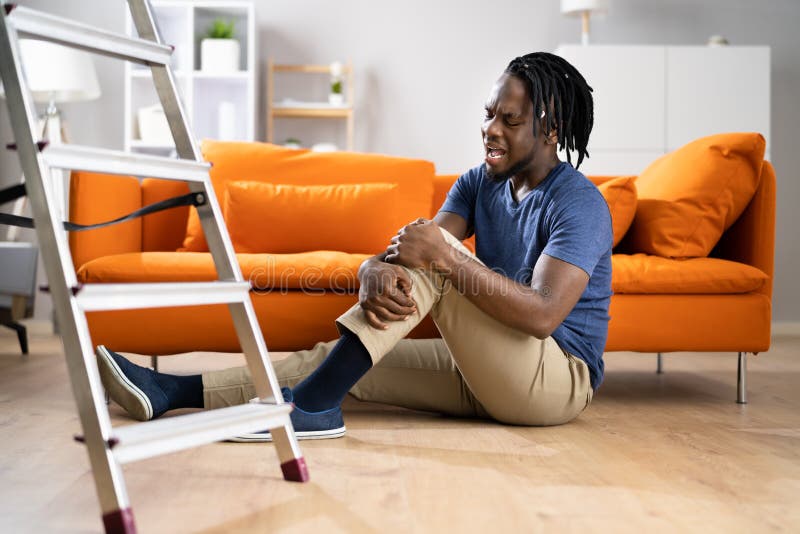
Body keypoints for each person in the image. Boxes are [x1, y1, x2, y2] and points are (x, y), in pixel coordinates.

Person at [96, 51, 612, 441]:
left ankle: (313, 412)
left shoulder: (578, 203)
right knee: (344, 361)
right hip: (488, 373)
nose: (489, 130)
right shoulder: (481, 182)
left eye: (510, 120)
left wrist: (442, 256)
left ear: (552, 128)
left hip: (553, 381)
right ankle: (174, 391)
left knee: (437, 257)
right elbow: (413, 251)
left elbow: (543, 315)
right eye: (489, 114)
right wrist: (371, 268)